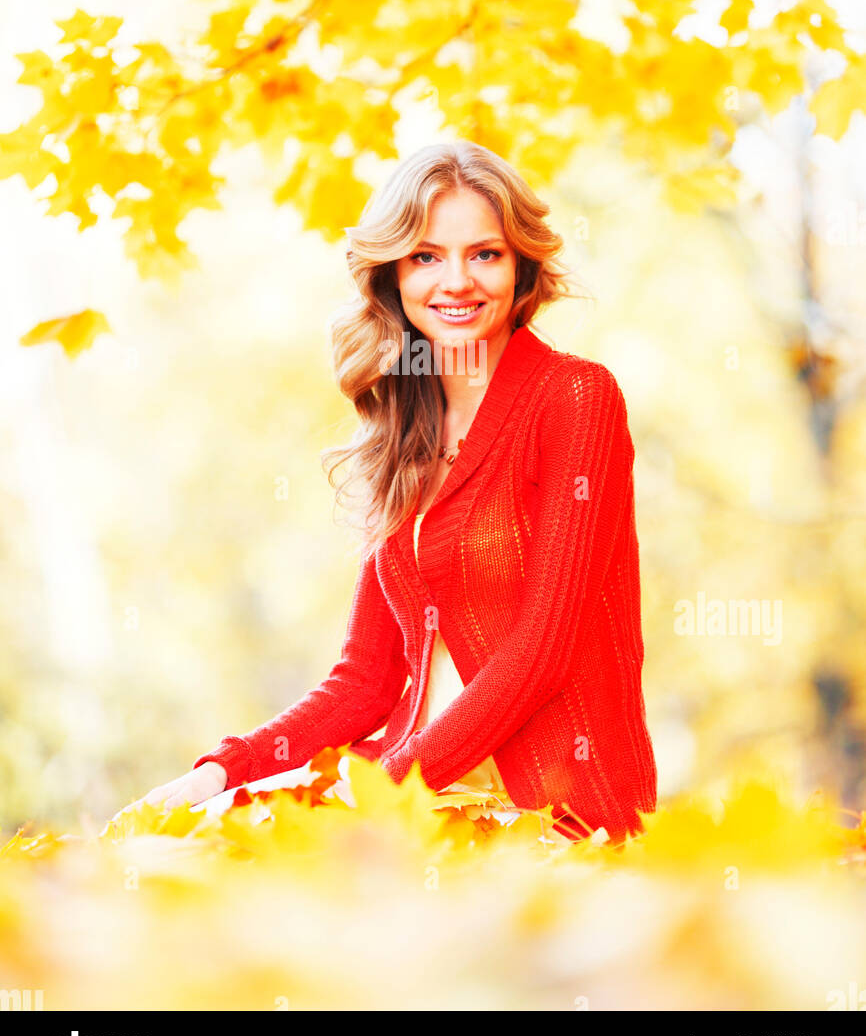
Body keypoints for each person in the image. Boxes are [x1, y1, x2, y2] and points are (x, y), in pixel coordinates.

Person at [135, 140, 657, 844]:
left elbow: (542, 650)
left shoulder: (573, 398)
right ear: (393, 275)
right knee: (200, 858)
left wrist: (378, 796)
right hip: (421, 807)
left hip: (556, 819)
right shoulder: (407, 432)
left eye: (485, 253)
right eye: (425, 256)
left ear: (521, 265)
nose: (457, 281)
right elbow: (363, 682)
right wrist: (219, 774)